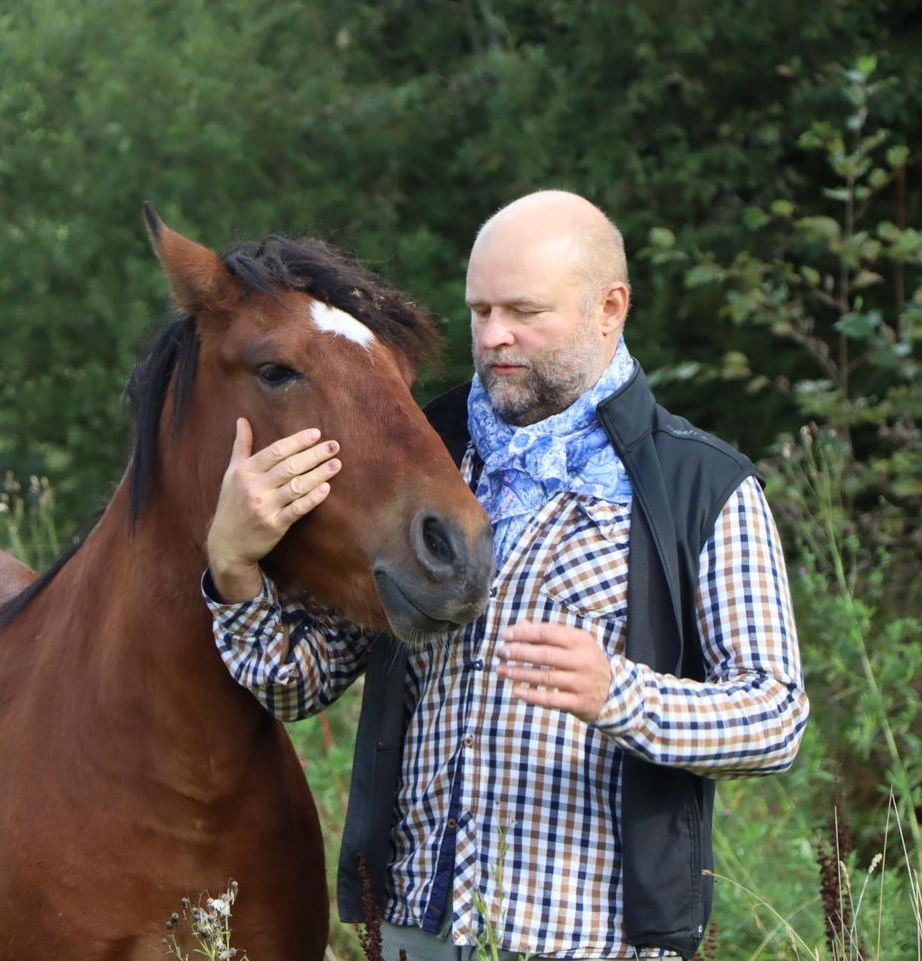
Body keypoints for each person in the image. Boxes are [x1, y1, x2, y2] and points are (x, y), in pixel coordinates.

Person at [201, 190, 808, 960]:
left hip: (597, 940)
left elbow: (775, 717)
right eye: (480, 310)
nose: (494, 337)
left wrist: (619, 693)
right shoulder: (420, 454)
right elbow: (298, 683)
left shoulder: (701, 485)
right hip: (416, 932)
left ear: (609, 308)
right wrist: (233, 561)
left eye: (524, 311)